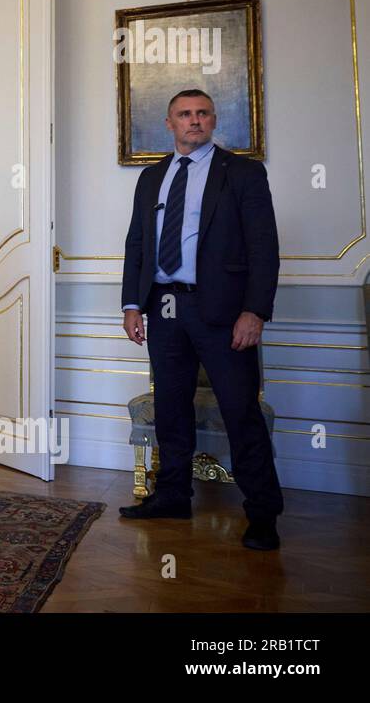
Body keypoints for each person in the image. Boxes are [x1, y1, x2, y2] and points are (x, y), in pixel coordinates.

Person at [118, 88, 284, 551]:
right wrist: (132, 304)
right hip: (164, 309)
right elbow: (137, 244)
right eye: (184, 114)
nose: (194, 121)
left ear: (214, 121)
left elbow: (263, 247)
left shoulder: (243, 173)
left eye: (203, 114)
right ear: (169, 123)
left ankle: (263, 514)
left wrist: (255, 311)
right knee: (171, 408)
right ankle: (172, 495)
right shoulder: (152, 177)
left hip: (225, 313)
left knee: (240, 412)